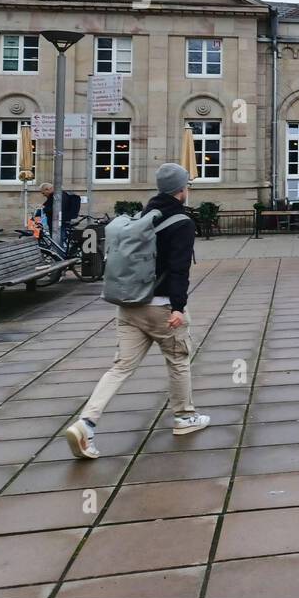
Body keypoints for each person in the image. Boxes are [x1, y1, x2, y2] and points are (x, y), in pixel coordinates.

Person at [64, 163, 208, 459]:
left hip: (129, 306)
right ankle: (184, 417)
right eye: (187, 186)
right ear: (182, 190)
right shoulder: (182, 222)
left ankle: (86, 423)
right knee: (178, 359)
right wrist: (178, 307)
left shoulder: (144, 215)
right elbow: (179, 269)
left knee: (120, 368)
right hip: (161, 307)